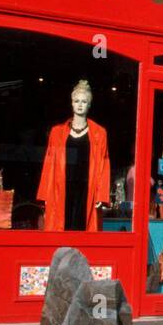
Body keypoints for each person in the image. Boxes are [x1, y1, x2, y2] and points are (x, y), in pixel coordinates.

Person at [38, 79, 110, 231]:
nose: (80, 104)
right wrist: (45, 194)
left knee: (84, 230)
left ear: (89, 104)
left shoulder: (99, 133)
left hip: (87, 188)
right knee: (60, 228)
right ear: (71, 103)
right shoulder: (57, 132)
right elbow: (49, 163)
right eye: (76, 101)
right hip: (61, 187)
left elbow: (104, 164)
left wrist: (101, 195)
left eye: (84, 101)